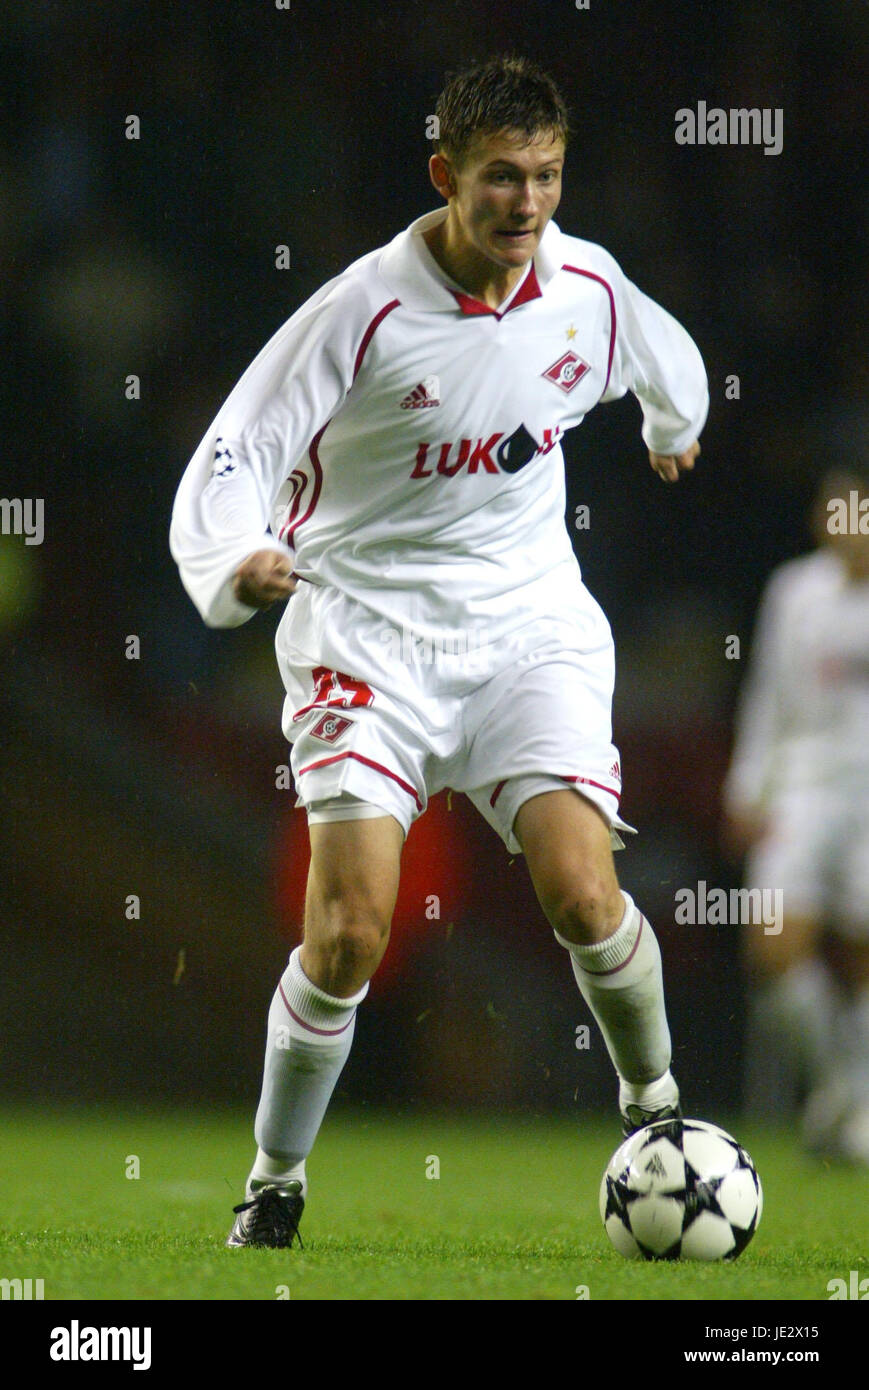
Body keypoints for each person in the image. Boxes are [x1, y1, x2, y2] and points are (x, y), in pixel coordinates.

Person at [170, 54, 708, 1247]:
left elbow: (662, 355)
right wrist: (232, 564)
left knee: (581, 891)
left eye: (548, 177)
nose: (527, 204)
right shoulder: (358, 310)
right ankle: (273, 1179)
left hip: (528, 628)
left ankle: (655, 1111)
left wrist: (675, 427)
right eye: (502, 178)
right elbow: (230, 452)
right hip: (367, 633)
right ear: (444, 175)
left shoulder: (584, 286)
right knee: (349, 931)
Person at [723, 465, 869, 1162]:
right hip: (803, 787)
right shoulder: (793, 591)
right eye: (832, 507)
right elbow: (766, 695)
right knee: (772, 948)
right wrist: (746, 786)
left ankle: (858, 1107)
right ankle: (839, 1085)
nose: (842, 522)